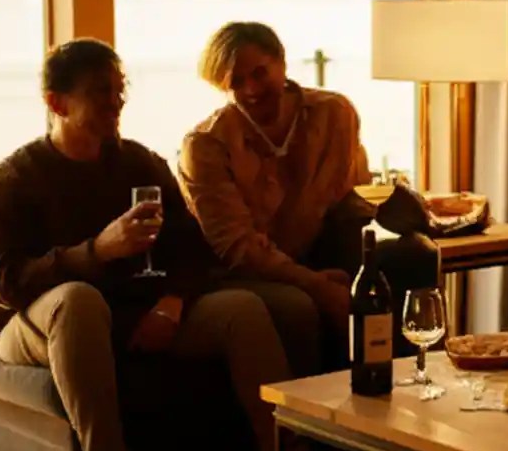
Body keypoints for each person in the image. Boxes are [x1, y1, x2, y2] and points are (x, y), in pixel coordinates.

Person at [0, 39, 290, 451]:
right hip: (32, 327)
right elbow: (6, 284)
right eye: (101, 91)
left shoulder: (138, 163)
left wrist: (171, 303)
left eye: (120, 90)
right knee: (78, 301)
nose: (116, 102)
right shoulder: (12, 182)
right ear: (57, 103)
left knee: (241, 308)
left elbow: (191, 251)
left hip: (132, 313)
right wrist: (97, 250)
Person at [178, 22, 431, 370]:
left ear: (281, 63)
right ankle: (307, 418)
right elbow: (238, 247)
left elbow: (346, 200)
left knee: (412, 255)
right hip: (243, 272)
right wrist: (317, 285)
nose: (251, 89)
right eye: (236, 82)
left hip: (318, 249)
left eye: (259, 73)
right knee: (299, 305)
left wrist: (360, 261)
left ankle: (413, 384)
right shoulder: (206, 145)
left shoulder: (335, 114)